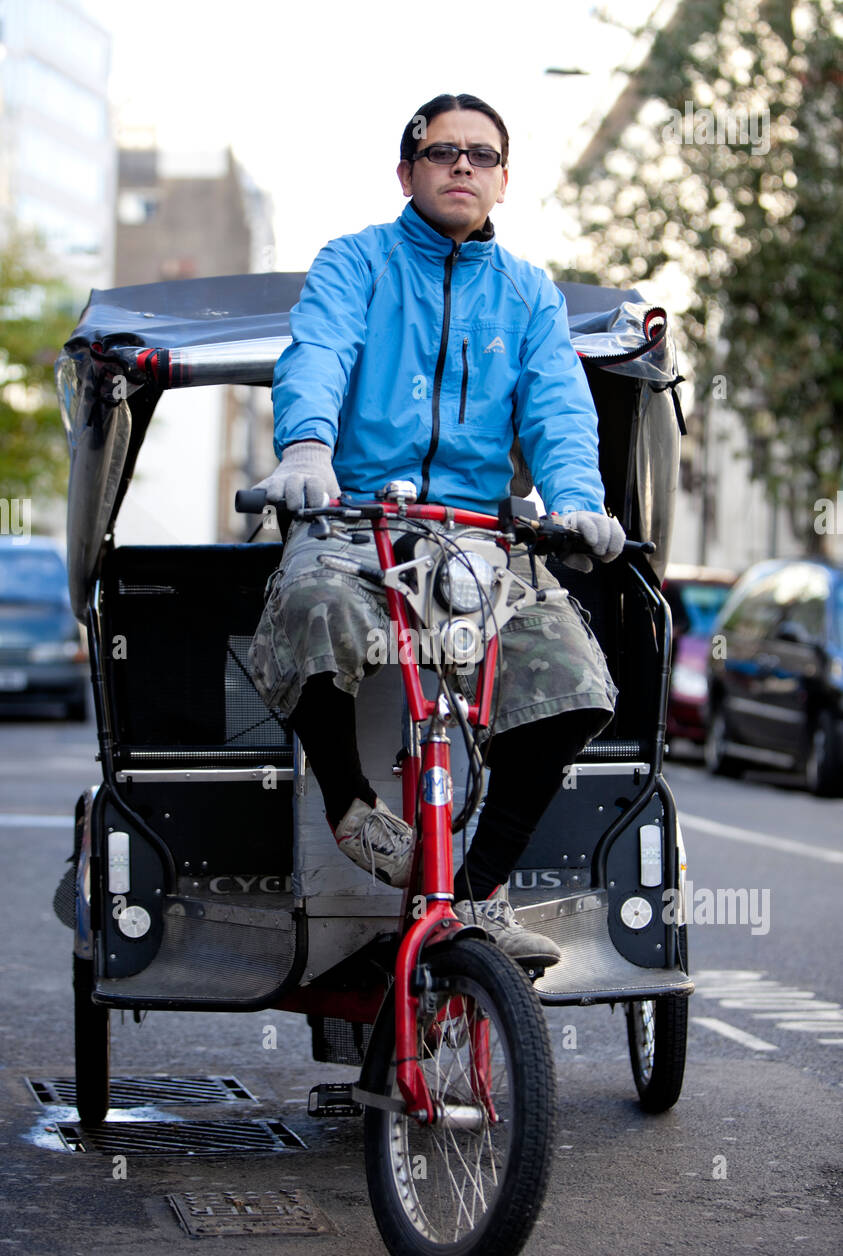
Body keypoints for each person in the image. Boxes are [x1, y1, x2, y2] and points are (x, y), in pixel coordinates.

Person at [249, 92, 624, 969]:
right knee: (310, 606)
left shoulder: (530, 293)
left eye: (482, 155)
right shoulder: (355, 262)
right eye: (442, 150)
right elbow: (318, 352)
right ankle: (352, 808)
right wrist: (307, 451)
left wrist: (577, 500)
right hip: (351, 519)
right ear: (407, 171)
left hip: (476, 538)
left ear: (502, 180)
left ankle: (481, 889)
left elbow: (560, 411)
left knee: (574, 677)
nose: (462, 165)